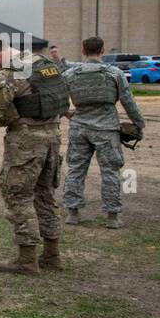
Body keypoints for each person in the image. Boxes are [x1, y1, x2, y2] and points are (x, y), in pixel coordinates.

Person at [0, 47, 70, 274]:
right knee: (45, 195)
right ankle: (52, 255)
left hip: (26, 142)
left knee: (18, 196)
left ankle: (26, 260)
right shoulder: (46, 64)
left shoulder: (11, 72)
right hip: (53, 136)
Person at [62, 35, 144, 229]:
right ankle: (112, 216)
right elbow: (128, 101)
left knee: (75, 169)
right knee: (110, 171)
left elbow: (58, 101)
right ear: (102, 51)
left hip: (79, 127)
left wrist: (69, 115)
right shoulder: (114, 73)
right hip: (106, 128)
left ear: (83, 51)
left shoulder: (70, 74)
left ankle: (72, 213)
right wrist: (139, 123)